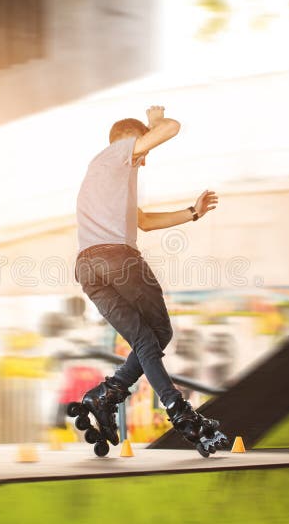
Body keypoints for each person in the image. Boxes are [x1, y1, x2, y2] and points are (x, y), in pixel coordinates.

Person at [71, 105, 229, 457]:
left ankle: (106, 394)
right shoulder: (116, 154)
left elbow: (142, 221)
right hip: (117, 260)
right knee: (159, 334)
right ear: (133, 141)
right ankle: (177, 409)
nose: (144, 162)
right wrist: (154, 122)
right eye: (141, 153)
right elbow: (170, 127)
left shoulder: (103, 179)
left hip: (89, 268)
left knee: (145, 339)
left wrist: (193, 213)